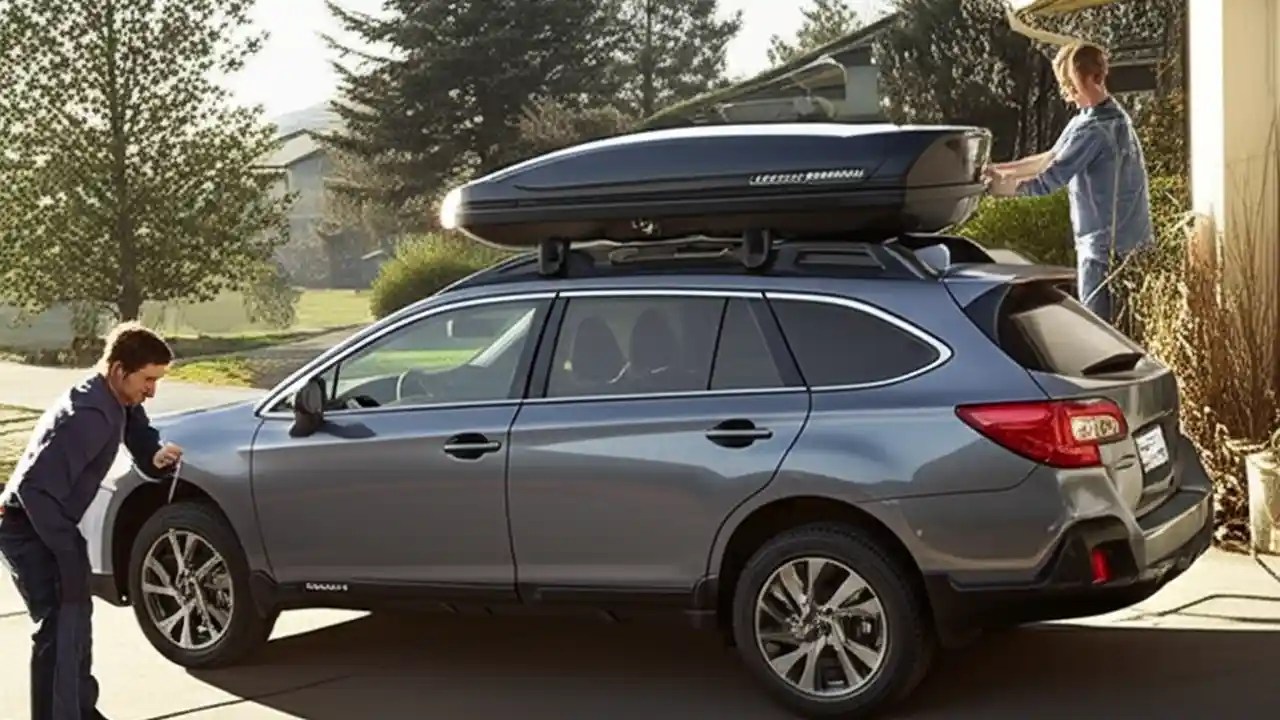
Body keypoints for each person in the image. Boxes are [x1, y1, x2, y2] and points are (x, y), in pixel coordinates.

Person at [0, 322, 183, 720]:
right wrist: (67, 550)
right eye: (148, 379)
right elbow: (36, 490)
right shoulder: (88, 415)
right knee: (60, 627)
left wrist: (153, 456)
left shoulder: (117, 398)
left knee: (76, 621)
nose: (151, 390)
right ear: (119, 370)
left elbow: (137, 428)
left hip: (48, 523)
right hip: (30, 527)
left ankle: (80, 709)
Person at [986, 41, 1154, 325]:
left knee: (1102, 334)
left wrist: (1009, 189)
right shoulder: (1091, 118)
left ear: (1096, 78)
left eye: (1073, 86)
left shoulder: (1098, 130)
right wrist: (996, 169)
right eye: (1065, 87)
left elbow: (1051, 178)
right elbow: (1048, 158)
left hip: (1108, 252)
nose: (1068, 95)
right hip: (1116, 245)